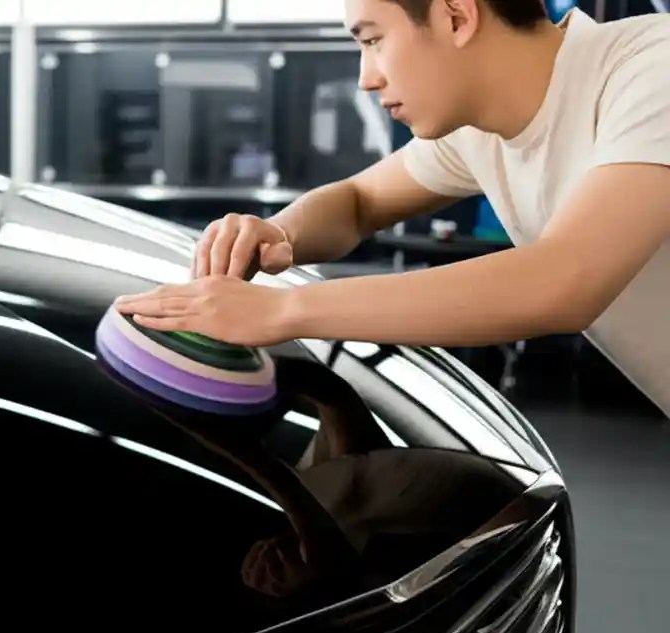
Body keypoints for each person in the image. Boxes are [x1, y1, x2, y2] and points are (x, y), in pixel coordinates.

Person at [114, 0, 670, 419]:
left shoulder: (651, 70)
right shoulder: (479, 130)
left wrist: (282, 311)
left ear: (456, 15)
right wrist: (279, 232)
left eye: (374, 40)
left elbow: (565, 280)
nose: (365, 76)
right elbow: (358, 202)